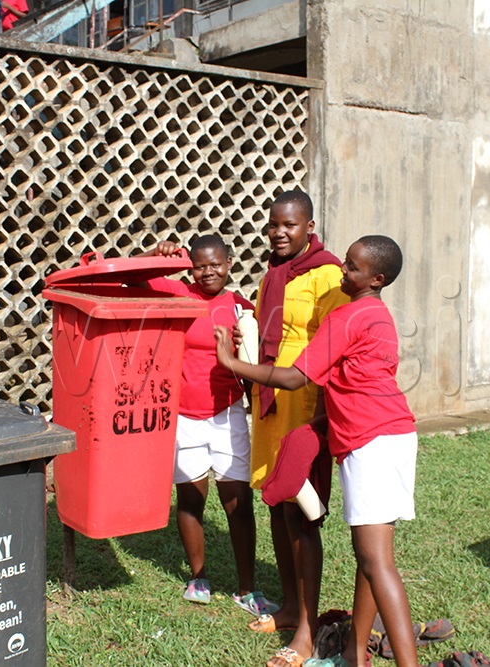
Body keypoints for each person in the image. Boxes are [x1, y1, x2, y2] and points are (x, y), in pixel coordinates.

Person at [214, 235, 419, 667]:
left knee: (377, 563)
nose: (342, 271)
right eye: (346, 261)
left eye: (353, 268)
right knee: (372, 558)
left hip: (371, 442)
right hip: (395, 435)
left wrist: (232, 364)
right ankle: (355, 653)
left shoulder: (348, 316)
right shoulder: (379, 316)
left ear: (377, 278)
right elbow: (358, 380)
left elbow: (293, 378)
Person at [138, 235, 279, 617]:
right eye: (200, 265)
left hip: (227, 416)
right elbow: (130, 281)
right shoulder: (177, 296)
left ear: (229, 263)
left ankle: (247, 588)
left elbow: (262, 349)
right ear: (191, 267)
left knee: (238, 504)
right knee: (190, 500)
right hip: (183, 416)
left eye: (216, 264)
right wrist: (154, 254)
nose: (208, 271)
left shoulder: (238, 308)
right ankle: (198, 577)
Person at [243, 189, 348, 667]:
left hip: (303, 403)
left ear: (309, 226)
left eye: (289, 225)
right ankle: (289, 606)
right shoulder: (273, 274)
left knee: (302, 514)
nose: (279, 233)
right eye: (273, 225)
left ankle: (307, 630)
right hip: (270, 402)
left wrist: (325, 419)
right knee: (275, 503)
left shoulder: (328, 275)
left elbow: (335, 349)